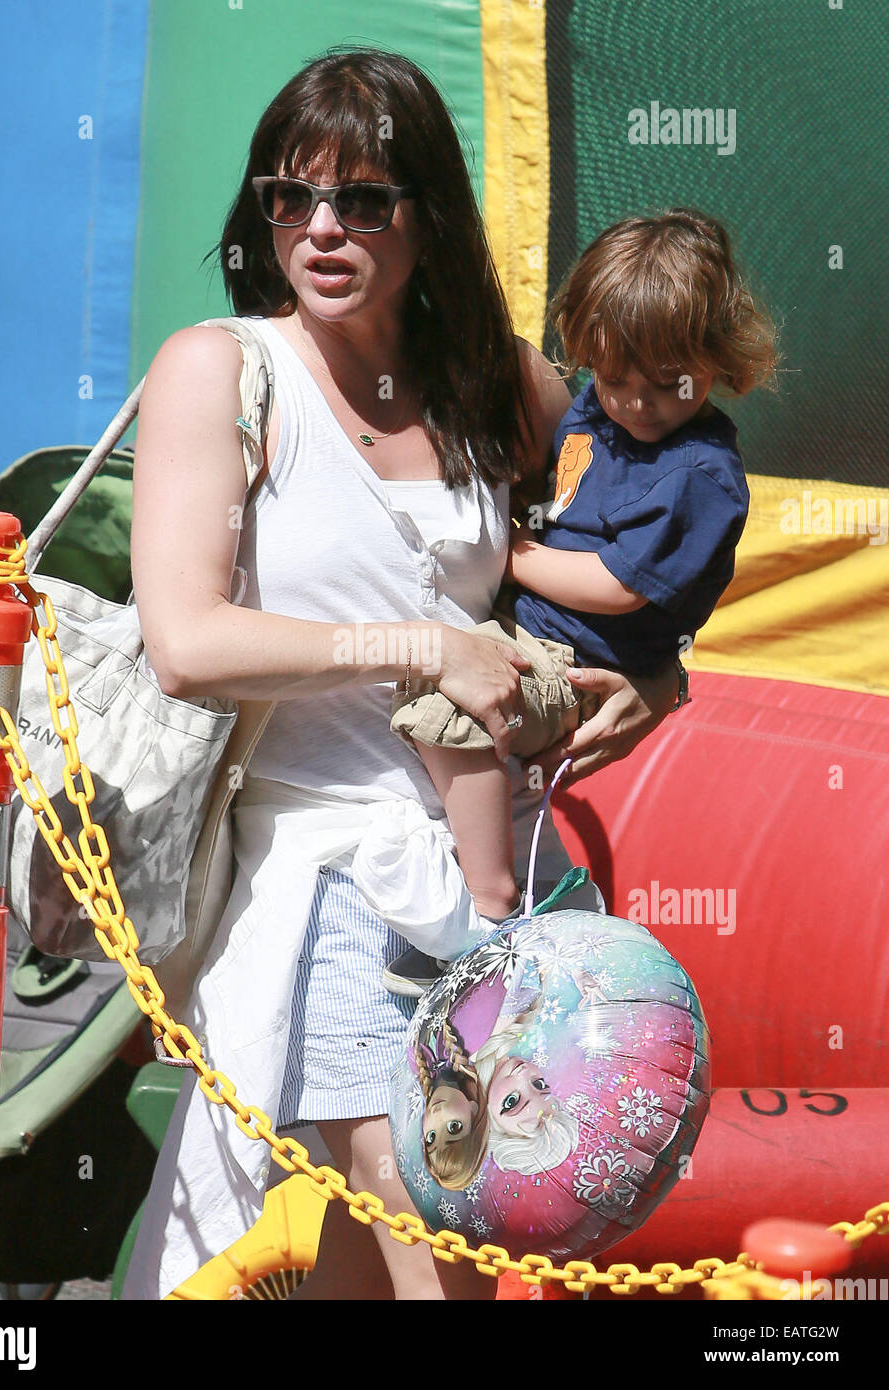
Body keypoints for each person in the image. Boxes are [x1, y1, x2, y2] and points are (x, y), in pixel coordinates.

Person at [123, 47, 681, 1303]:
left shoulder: (502, 381)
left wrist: (663, 674)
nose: (320, 229)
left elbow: (655, 526)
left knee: (386, 1247)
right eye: (289, 196)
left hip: (494, 868)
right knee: (426, 1193)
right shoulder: (220, 367)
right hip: (318, 866)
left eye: (363, 200)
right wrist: (422, 643)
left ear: (427, 217)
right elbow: (185, 640)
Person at [387, 209, 777, 973]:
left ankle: (490, 903)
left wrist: (510, 553)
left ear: (718, 358)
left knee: (449, 706)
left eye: (666, 383)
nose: (635, 403)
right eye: (614, 376)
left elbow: (618, 585)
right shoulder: (595, 409)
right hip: (529, 625)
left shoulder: (697, 474)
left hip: (580, 657)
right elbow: (561, 486)